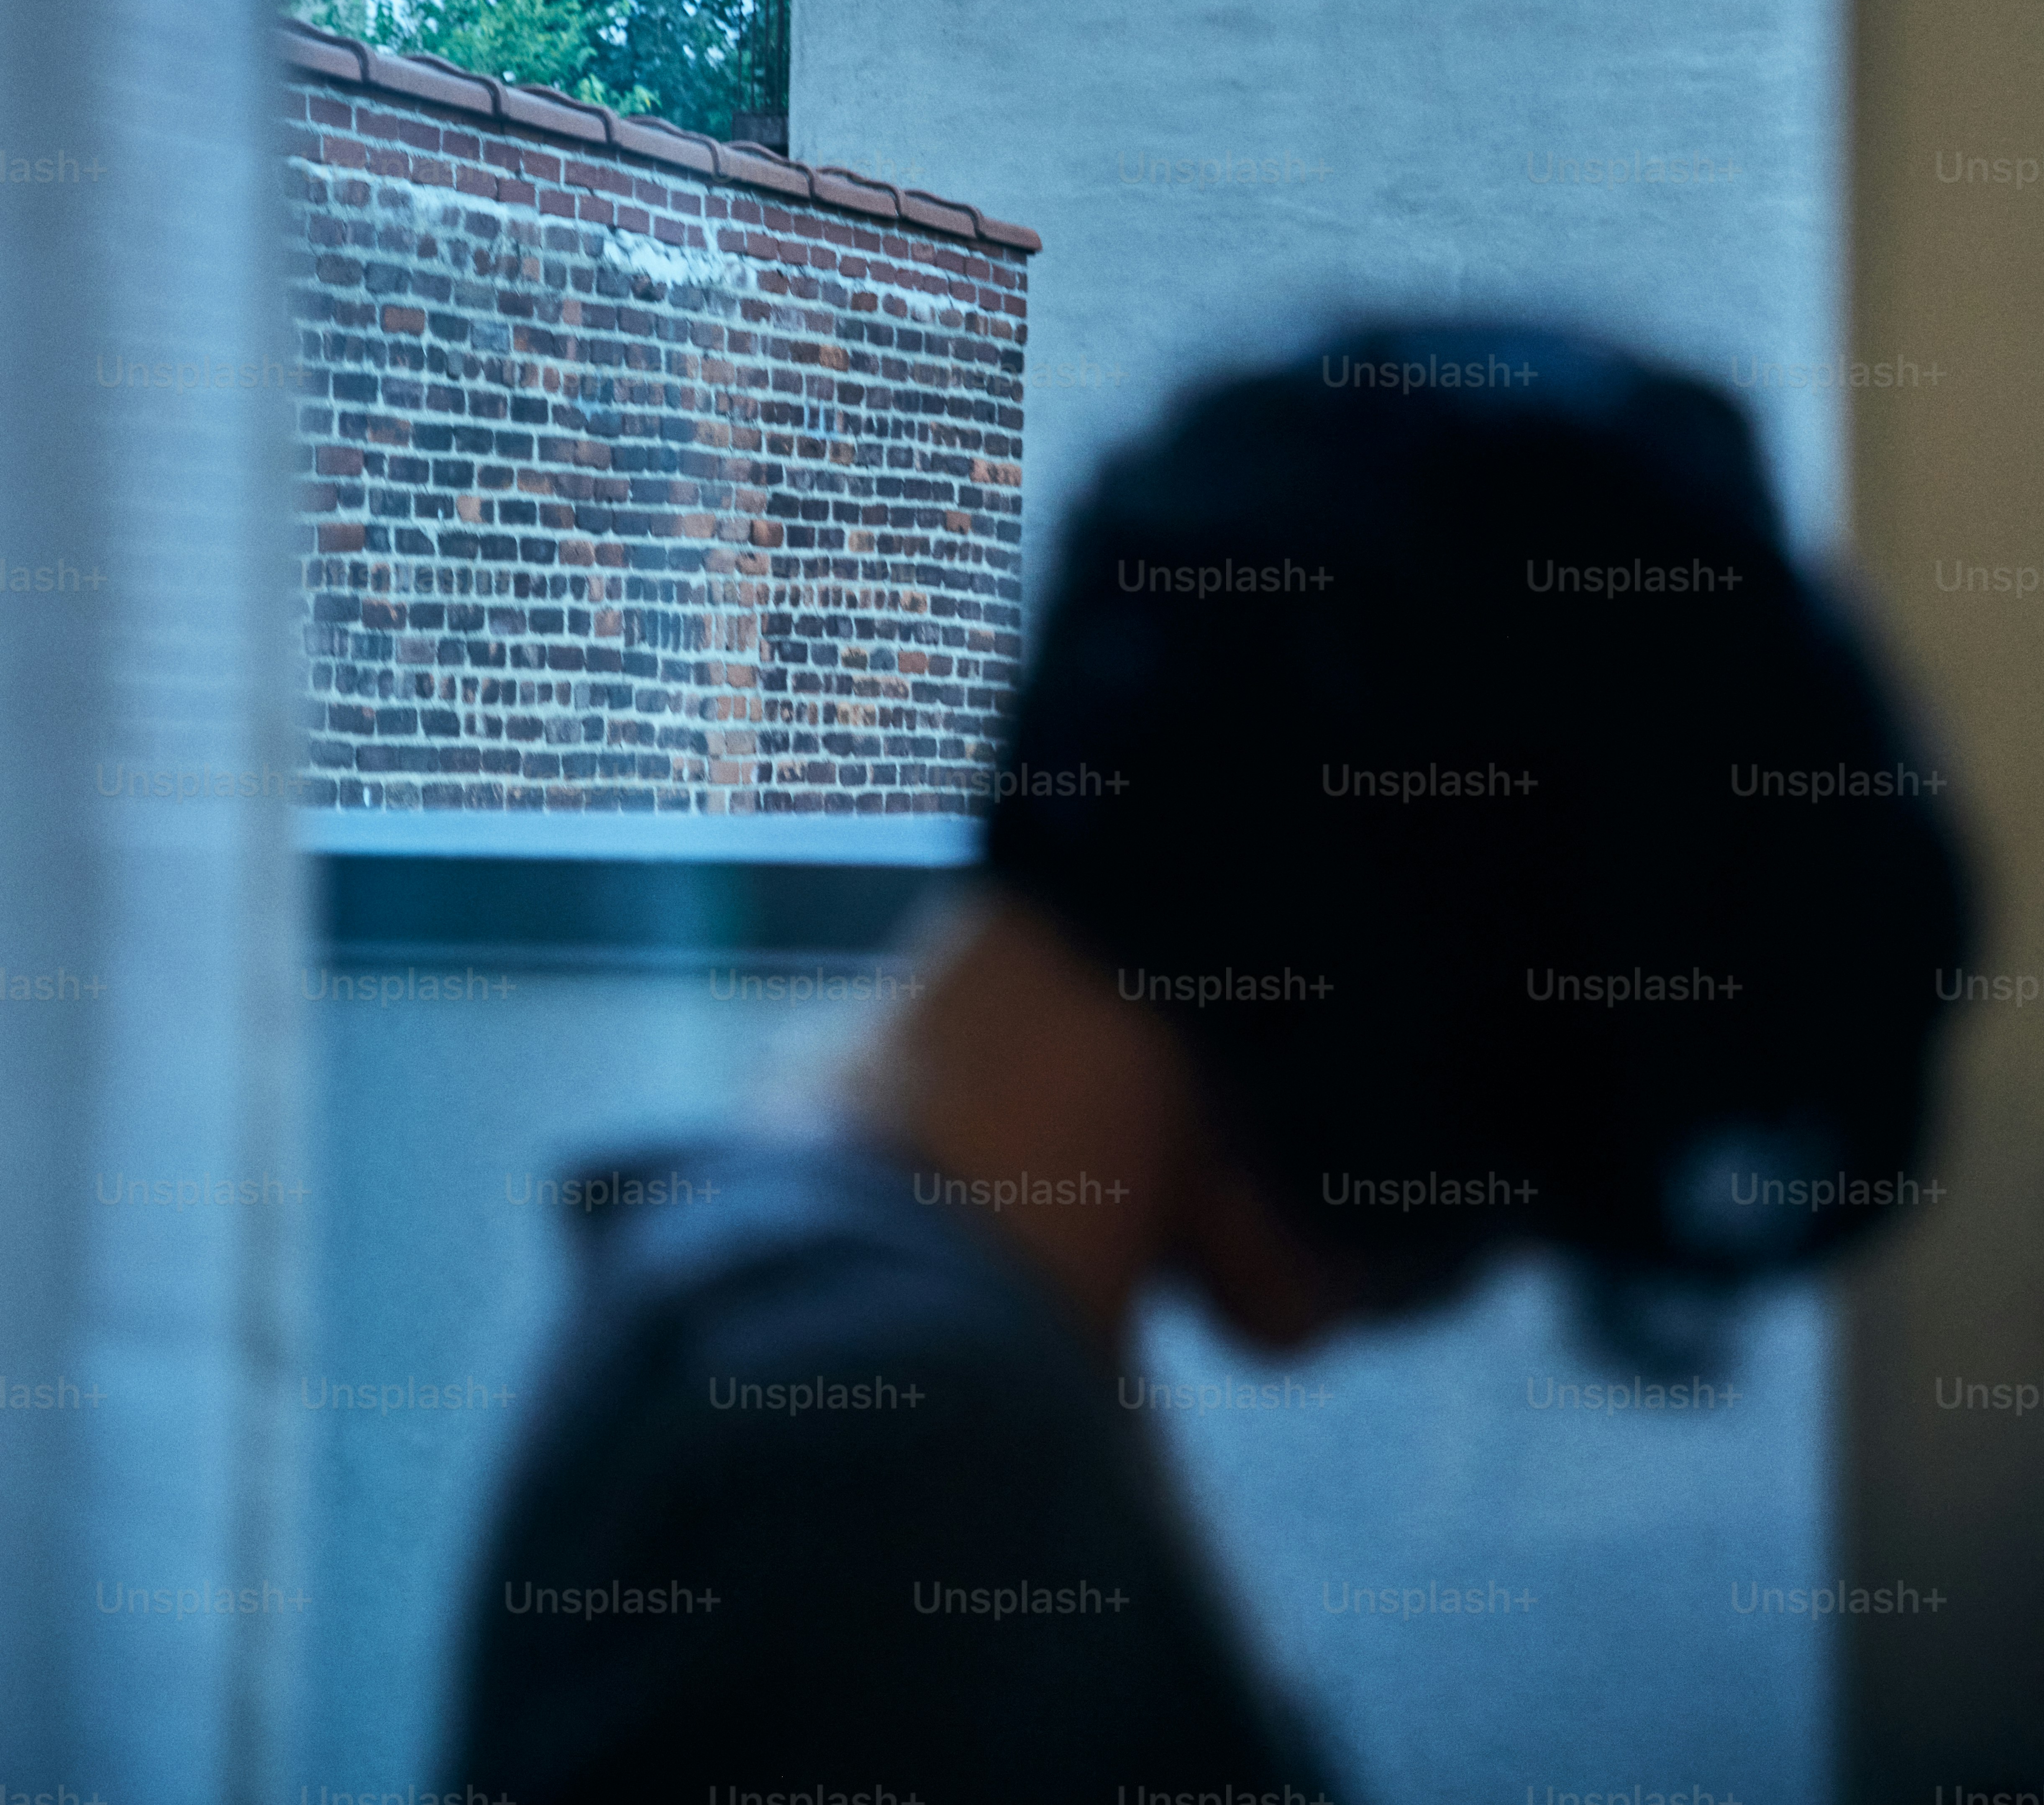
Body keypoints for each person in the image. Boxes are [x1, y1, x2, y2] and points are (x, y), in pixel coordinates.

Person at [451, 323, 1969, 1805]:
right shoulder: (894, 1431)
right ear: (1416, 937)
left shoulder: (838, 1302)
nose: (1476, 1257)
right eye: (1544, 1122)